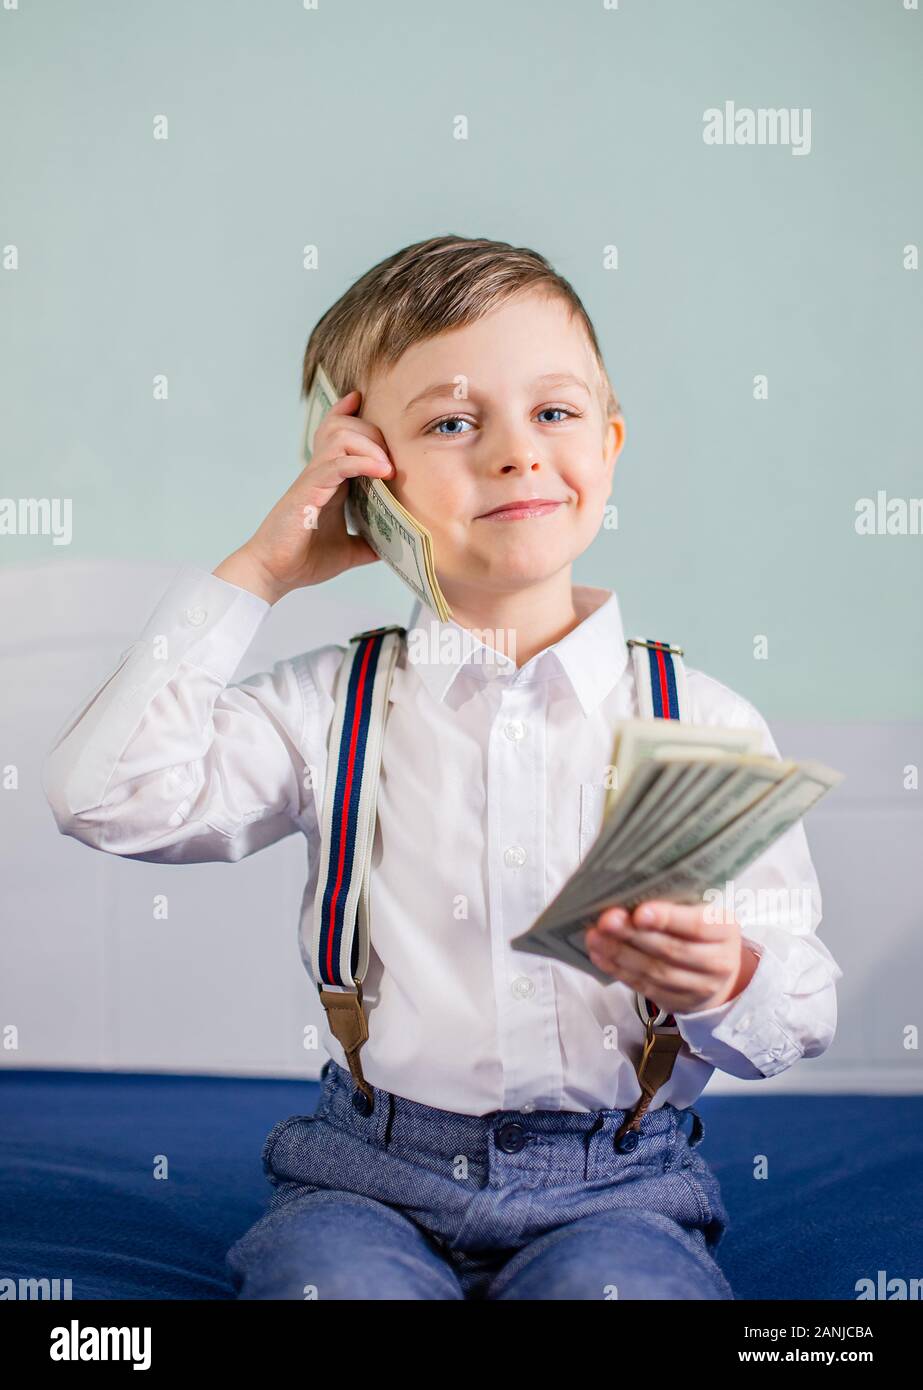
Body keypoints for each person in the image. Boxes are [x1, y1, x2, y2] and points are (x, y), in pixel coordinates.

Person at [42, 234, 843, 1300]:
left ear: (606, 444)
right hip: (369, 1175)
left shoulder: (699, 719)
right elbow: (102, 793)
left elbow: (800, 1010)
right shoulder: (333, 706)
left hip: (620, 1185)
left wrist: (728, 978)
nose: (516, 452)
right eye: (453, 423)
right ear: (369, 476)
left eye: (552, 413)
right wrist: (263, 569)